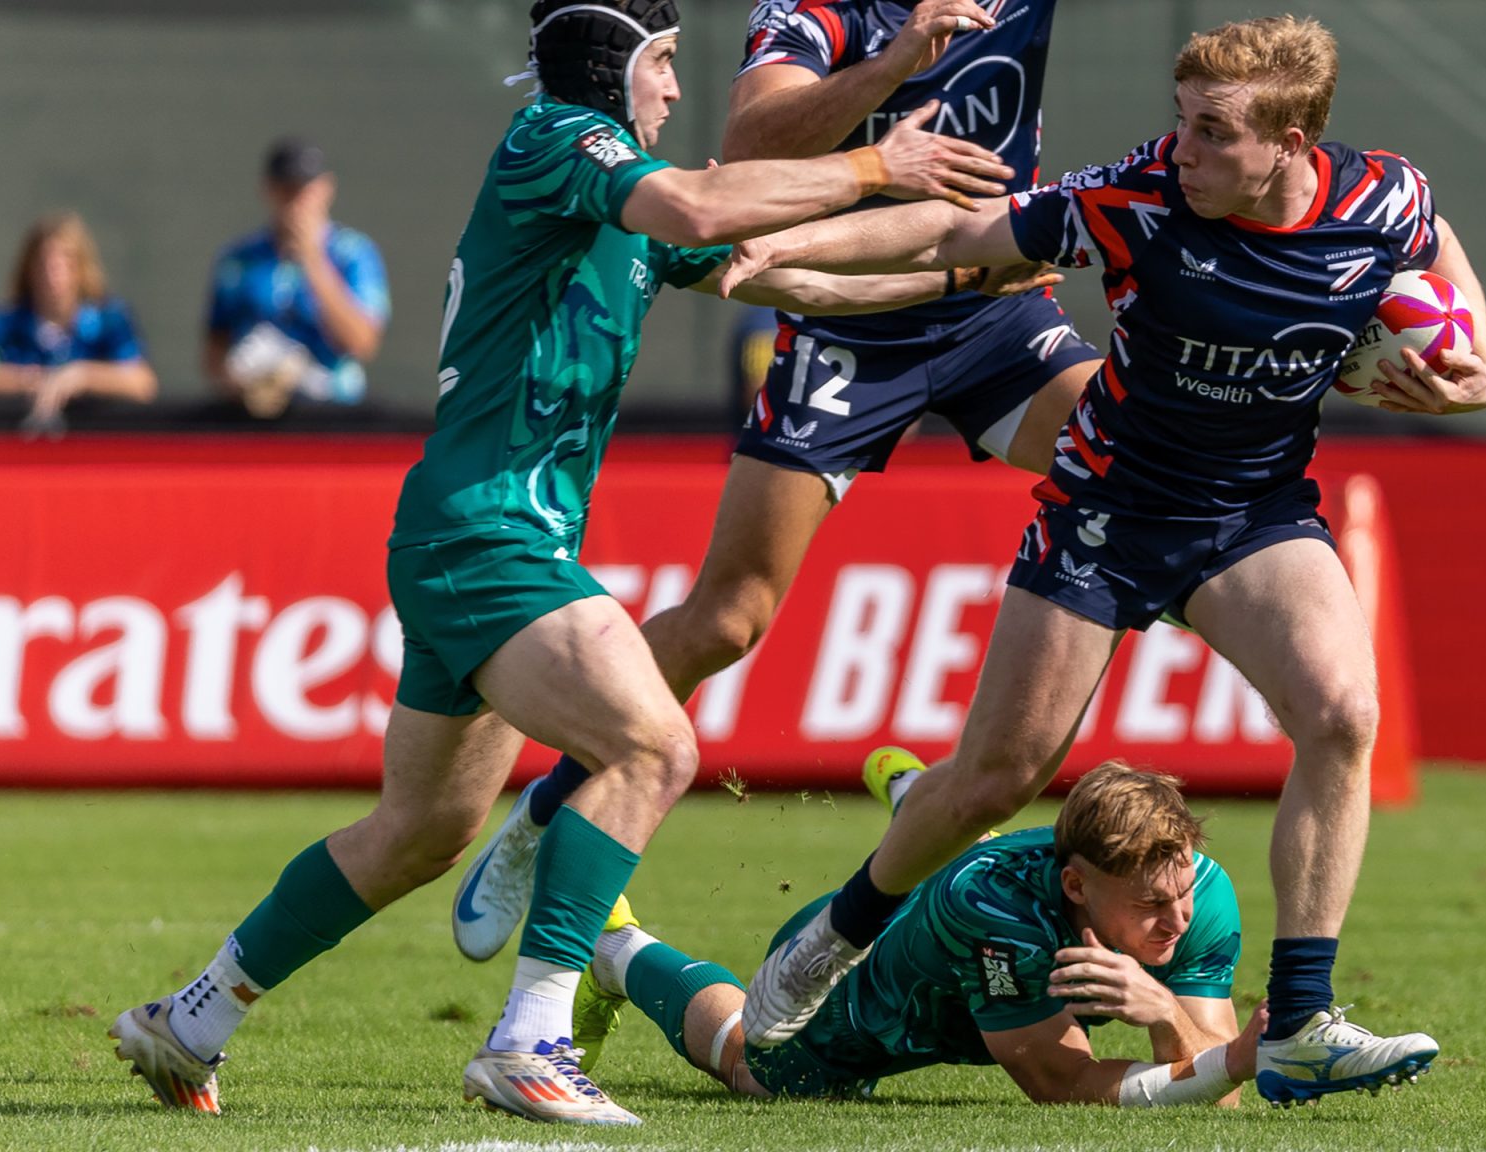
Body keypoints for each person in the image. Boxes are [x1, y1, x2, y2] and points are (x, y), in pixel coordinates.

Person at [109, 0, 1022, 1126]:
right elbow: (703, 201)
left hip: (471, 538)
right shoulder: (559, 139)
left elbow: (794, 274)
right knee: (654, 746)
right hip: (488, 534)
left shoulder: (621, 196)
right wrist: (878, 164)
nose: (676, 88)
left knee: (422, 831)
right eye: (665, 62)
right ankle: (530, 1038)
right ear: (613, 59)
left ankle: (191, 1018)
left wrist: (967, 269)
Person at [722, 16, 1486, 1108]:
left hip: (1251, 516)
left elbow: (1436, 242)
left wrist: (1481, 365)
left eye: (1212, 133)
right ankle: (833, 936)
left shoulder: (1381, 199)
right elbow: (956, 229)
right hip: (1105, 514)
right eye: (1181, 122)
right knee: (994, 780)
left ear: (1289, 142)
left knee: (1341, 716)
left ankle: (1299, 1022)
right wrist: (784, 247)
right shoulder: (1141, 198)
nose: (1181, 149)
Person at [452, 0, 1103, 970]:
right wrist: (892, 64)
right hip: (842, 321)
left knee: (1137, 464)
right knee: (726, 620)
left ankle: (989, 792)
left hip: (992, 307)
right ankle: (548, 807)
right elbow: (751, 141)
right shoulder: (821, 12)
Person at [575, 760, 1270, 1107]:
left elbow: (1222, 1091)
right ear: (1077, 886)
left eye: (1182, 892)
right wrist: (1209, 1048)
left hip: (960, 902)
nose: (1177, 920)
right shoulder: (999, 915)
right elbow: (1063, 1081)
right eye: (1151, 905)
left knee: (970, 866)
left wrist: (1166, 1011)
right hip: (861, 990)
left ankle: (920, 796)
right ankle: (616, 950)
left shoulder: (1200, 893)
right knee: (749, 1067)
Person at [204, 138, 390, 417]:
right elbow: (215, 350)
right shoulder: (239, 260)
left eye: (305, 190)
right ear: (268, 189)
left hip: (333, 415)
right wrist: (240, 383)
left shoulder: (354, 254)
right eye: (287, 190)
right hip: (255, 417)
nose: (297, 203)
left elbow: (362, 342)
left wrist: (313, 260)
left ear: (326, 188)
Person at [0, 212, 157, 432]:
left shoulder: (108, 321)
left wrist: (80, 377)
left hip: (94, 444)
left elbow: (142, 383)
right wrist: (26, 380)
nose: (54, 274)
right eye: (45, 262)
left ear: (82, 268)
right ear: (29, 269)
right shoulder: (8, 324)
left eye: (66, 261)